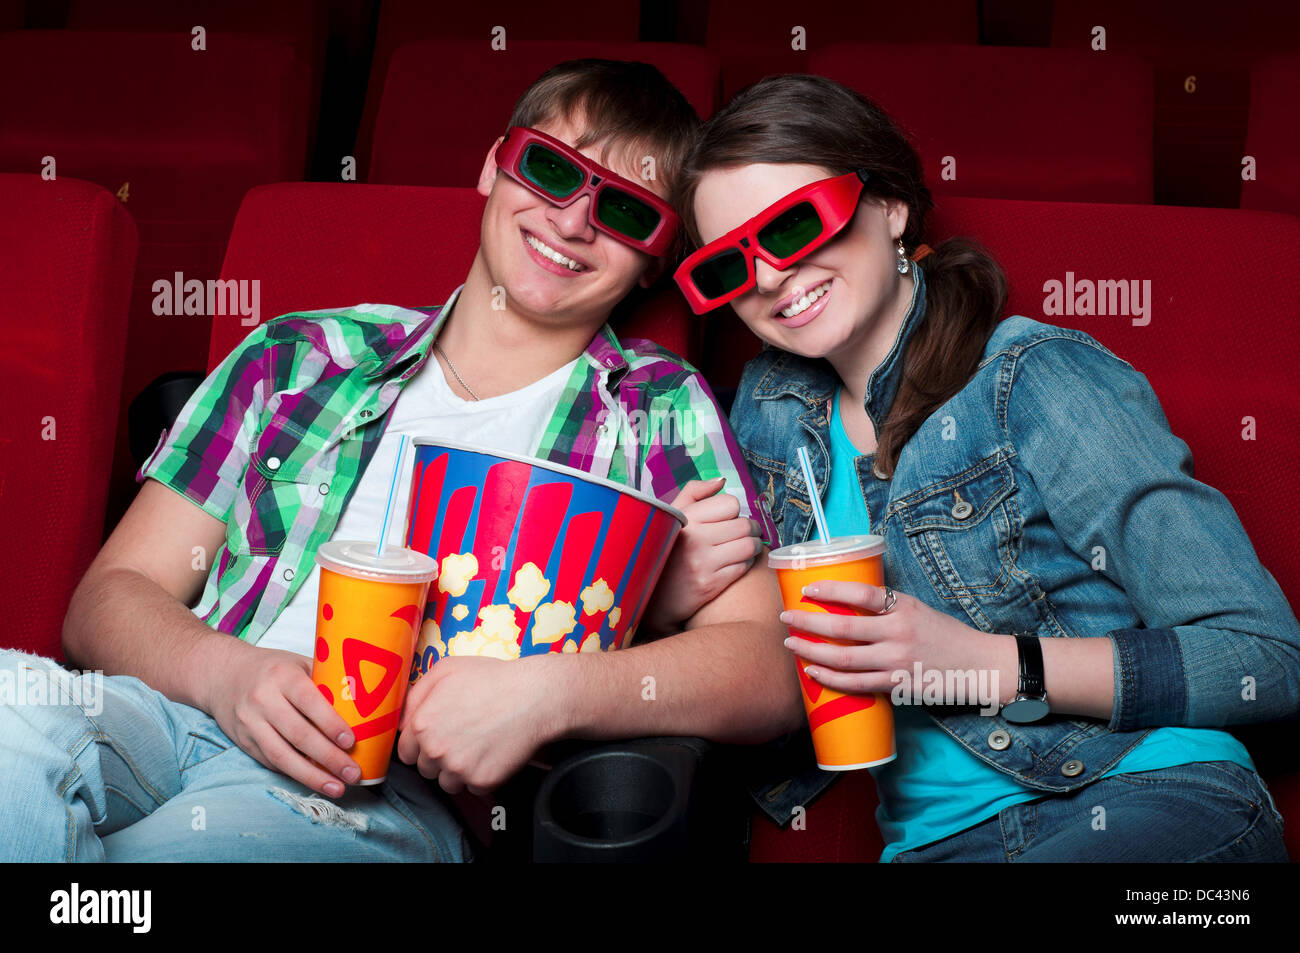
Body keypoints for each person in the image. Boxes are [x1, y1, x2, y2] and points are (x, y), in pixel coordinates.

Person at [0, 59, 798, 862]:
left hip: (368, 794)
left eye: (625, 211)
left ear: (655, 259)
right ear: (495, 164)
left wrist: (549, 695)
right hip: (172, 711)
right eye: (552, 170)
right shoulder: (300, 354)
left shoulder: (653, 405)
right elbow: (107, 598)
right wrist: (225, 674)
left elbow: (771, 667)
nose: (572, 221)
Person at [670, 73, 1300, 862]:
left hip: (1143, 802)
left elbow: (1265, 659)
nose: (765, 279)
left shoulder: (1035, 376)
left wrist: (989, 664)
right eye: (727, 266)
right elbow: (757, 657)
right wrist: (679, 592)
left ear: (889, 205)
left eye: (793, 225)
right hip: (938, 849)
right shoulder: (767, 410)